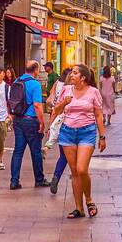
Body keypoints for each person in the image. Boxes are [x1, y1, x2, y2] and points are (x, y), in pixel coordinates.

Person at [50, 63, 105, 218]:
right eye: (72, 73)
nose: (71, 75)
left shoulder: (93, 92)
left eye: (75, 73)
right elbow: (56, 110)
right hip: (67, 132)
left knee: (82, 169)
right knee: (74, 172)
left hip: (86, 132)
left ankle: (89, 199)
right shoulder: (66, 90)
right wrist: (64, 102)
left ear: (83, 78)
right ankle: (79, 208)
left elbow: (99, 115)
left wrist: (102, 136)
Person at [9, 59, 49, 190]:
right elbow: (37, 105)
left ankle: (14, 181)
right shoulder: (35, 84)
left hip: (18, 120)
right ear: (36, 70)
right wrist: (42, 123)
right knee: (35, 151)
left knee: (18, 151)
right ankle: (39, 179)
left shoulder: (16, 82)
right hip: (31, 120)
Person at [47, 67, 73, 195]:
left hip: (61, 124)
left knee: (63, 156)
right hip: (73, 126)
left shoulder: (60, 87)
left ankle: (56, 176)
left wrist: (51, 125)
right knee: (77, 157)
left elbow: (56, 108)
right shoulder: (77, 91)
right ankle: (76, 178)